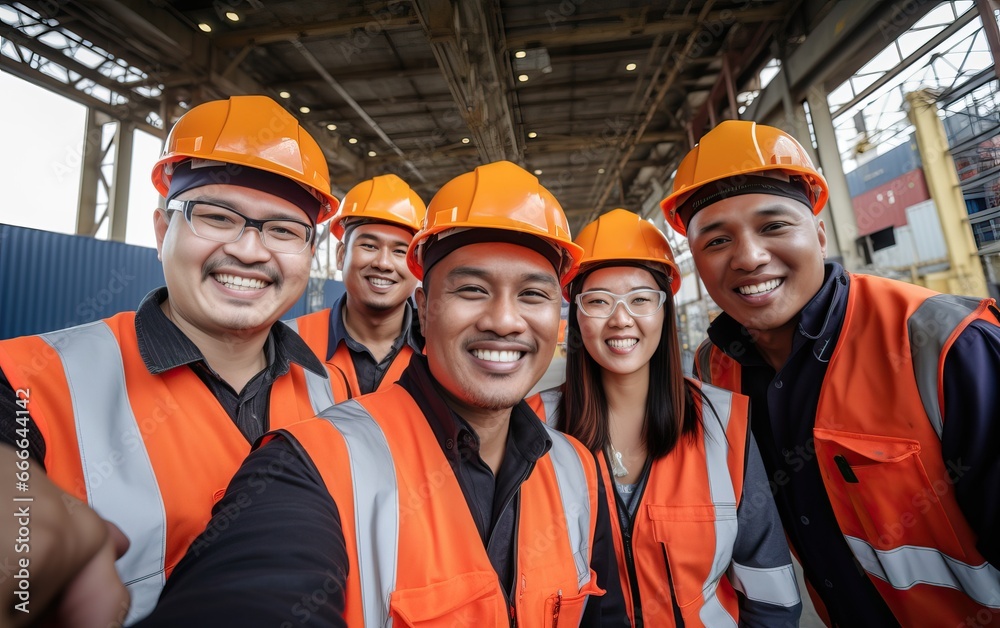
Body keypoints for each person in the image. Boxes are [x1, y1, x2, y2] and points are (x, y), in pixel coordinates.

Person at [135, 160, 627, 627]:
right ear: (424, 306)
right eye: (472, 289)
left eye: (533, 294)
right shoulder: (309, 465)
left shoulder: (577, 469)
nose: (503, 320)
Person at [0, 95, 339, 623]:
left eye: (283, 230)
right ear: (162, 230)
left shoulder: (334, 391)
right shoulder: (35, 377)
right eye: (218, 217)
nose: (250, 251)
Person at [660, 119, 1000, 626]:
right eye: (716, 241)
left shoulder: (945, 346)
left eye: (773, 226)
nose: (749, 258)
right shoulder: (715, 367)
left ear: (819, 234)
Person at [555, 209, 801, 626]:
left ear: (664, 311)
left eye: (640, 299)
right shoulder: (533, 428)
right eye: (597, 301)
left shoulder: (725, 424)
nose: (620, 318)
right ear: (575, 316)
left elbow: (769, 588)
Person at [288, 174, 426, 401]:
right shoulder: (287, 343)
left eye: (400, 251)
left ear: (417, 266)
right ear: (341, 255)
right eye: (369, 245)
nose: (383, 263)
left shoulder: (439, 354)